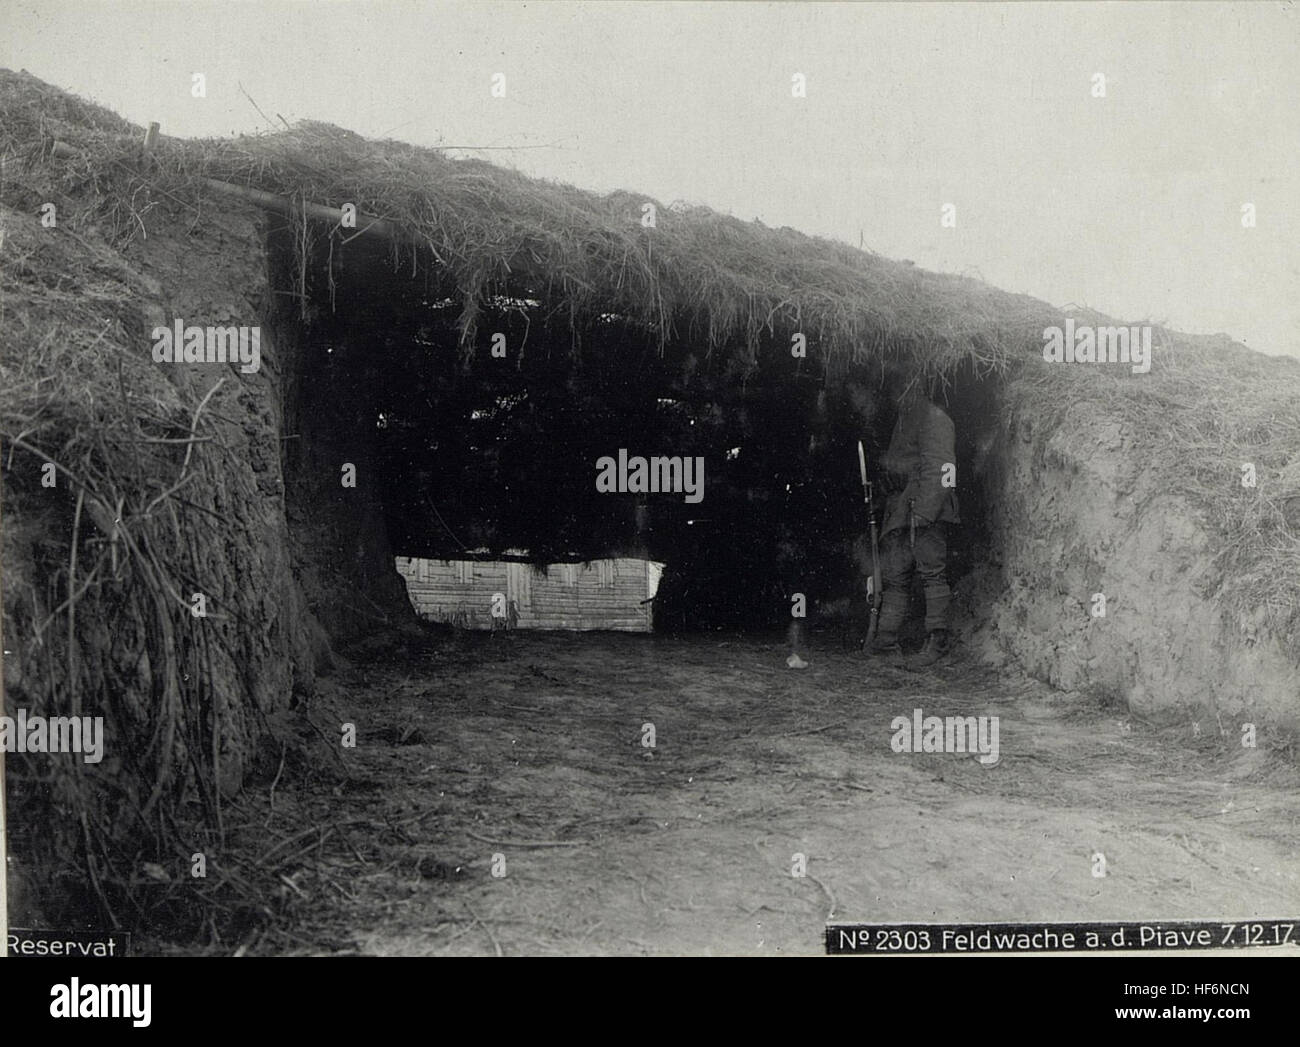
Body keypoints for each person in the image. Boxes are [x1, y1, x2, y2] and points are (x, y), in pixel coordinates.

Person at [866, 370, 959, 667]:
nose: (897, 393)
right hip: (902, 510)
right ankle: (886, 642)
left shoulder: (935, 418)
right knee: (895, 578)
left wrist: (925, 512)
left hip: (924, 511)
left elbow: (943, 468)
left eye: (903, 386)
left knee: (932, 574)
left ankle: (937, 641)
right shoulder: (905, 419)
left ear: (915, 387)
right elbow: (900, 463)